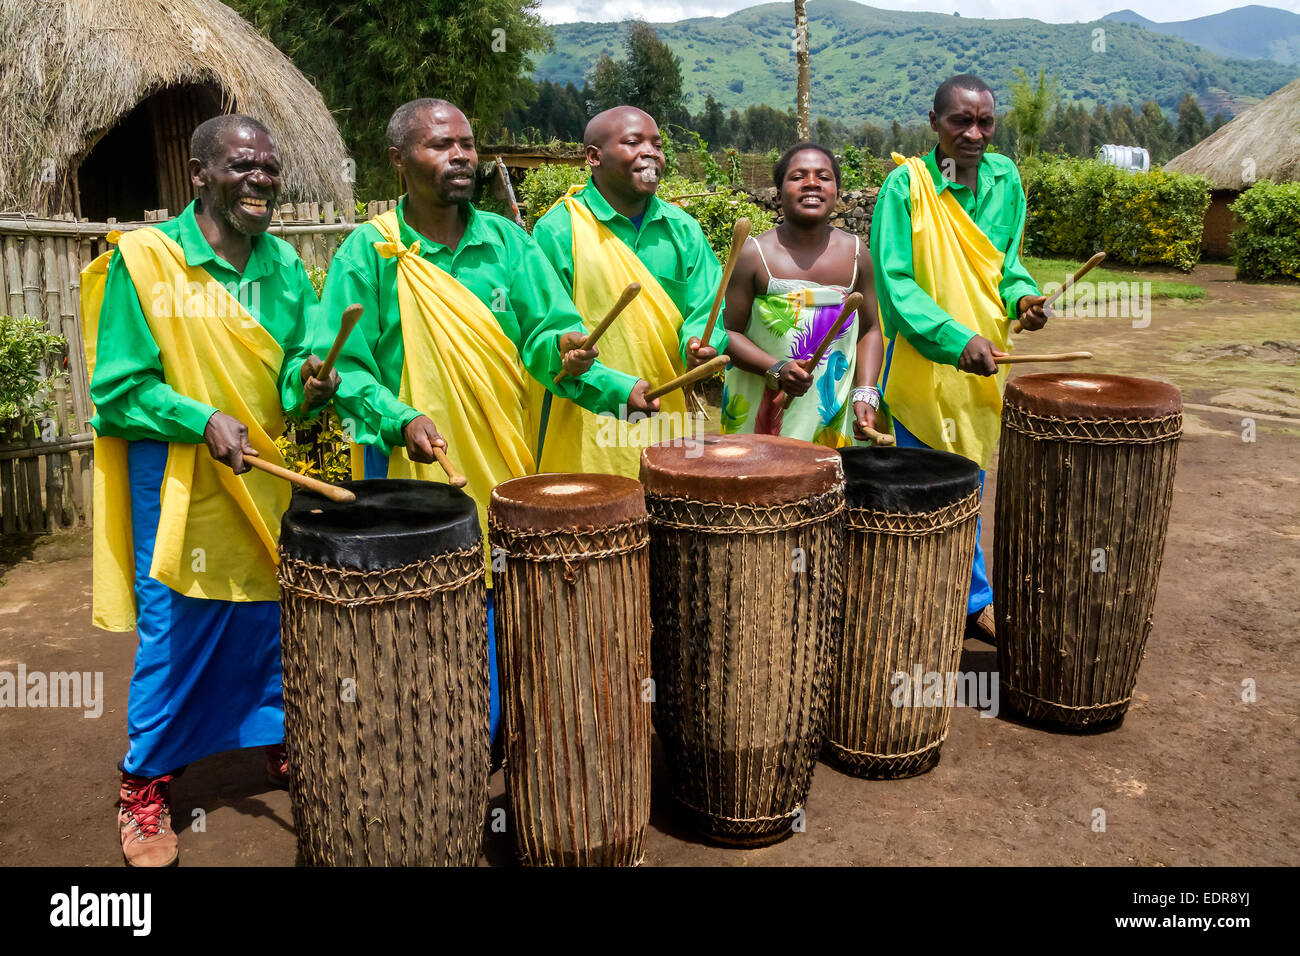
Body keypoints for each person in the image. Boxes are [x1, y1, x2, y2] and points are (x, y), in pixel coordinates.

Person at [318, 98, 657, 747]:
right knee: (414, 634)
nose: (461, 157)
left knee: (499, 620)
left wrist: (613, 383)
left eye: (467, 144)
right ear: (398, 160)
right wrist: (398, 418)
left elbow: (550, 340)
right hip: (410, 487)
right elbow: (343, 371)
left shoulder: (507, 242)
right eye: (441, 146)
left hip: (501, 472)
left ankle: (491, 750)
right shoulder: (371, 252)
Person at [85, 114, 339, 866]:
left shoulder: (285, 266)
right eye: (240, 165)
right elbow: (119, 392)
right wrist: (200, 419)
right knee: (178, 633)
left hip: (261, 477)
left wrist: (311, 383)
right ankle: (144, 787)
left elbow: (293, 371)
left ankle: (273, 743)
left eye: (269, 165)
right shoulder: (147, 262)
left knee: (268, 628)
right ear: (199, 174)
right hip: (177, 483)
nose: (260, 177)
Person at [870, 74, 1049, 639]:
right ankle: (957, 601)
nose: (974, 133)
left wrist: (1025, 298)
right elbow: (895, 284)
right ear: (934, 123)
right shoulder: (906, 187)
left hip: (989, 358)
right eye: (960, 121)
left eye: (985, 122)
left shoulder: (1005, 179)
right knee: (932, 481)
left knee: (971, 474)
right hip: (926, 362)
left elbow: (1007, 265)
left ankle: (959, 599)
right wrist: (953, 340)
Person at [531, 106, 727, 477]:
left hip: (663, 418)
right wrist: (608, 385)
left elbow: (709, 307)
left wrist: (701, 344)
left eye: (657, 144)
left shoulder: (682, 230)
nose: (651, 152)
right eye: (634, 142)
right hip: (584, 417)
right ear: (594, 157)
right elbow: (543, 329)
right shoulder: (558, 230)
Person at [719, 143, 884, 447]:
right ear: (779, 194)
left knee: (831, 489)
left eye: (824, 176)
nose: (812, 183)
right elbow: (726, 333)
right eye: (798, 177)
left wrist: (867, 391)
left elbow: (871, 329)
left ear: (836, 192)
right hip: (765, 413)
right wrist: (776, 369)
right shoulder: (755, 255)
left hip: (830, 414)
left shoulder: (857, 255)